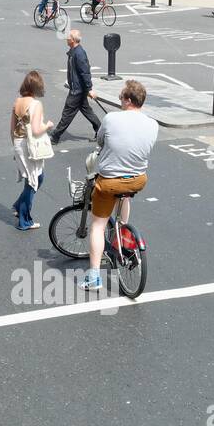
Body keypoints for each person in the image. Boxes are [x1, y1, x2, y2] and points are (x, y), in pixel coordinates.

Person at [78, 80, 158, 292]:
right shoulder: (153, 124)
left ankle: (94, 276)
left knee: (97, 226)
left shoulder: (111, 118)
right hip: (137, 179)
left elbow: (101, 141)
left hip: (110, 181)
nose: (120, 101)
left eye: (121, 97)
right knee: (126, 195)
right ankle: (122, 232)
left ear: (129, 100)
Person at [10, 71, 54, 231]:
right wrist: (48, 125)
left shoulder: (17, 102)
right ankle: (24, 220)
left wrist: (16, 150)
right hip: (30, 145)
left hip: (18, 142)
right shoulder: (36, 104)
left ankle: (17, 206)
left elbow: (12, 128)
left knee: (37, 177)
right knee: (33, 181)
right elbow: (36, 130)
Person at [51, 29, 101, 143]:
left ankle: (55, 136)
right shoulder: (74, 51)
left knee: (67, 113)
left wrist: (89, 89)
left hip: (77, 91)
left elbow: (85, 72)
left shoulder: (79, 53)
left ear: (73, 40)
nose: (66, 39)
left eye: (68, 37)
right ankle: (100, 130)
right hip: (77, 88)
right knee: (87, 111)